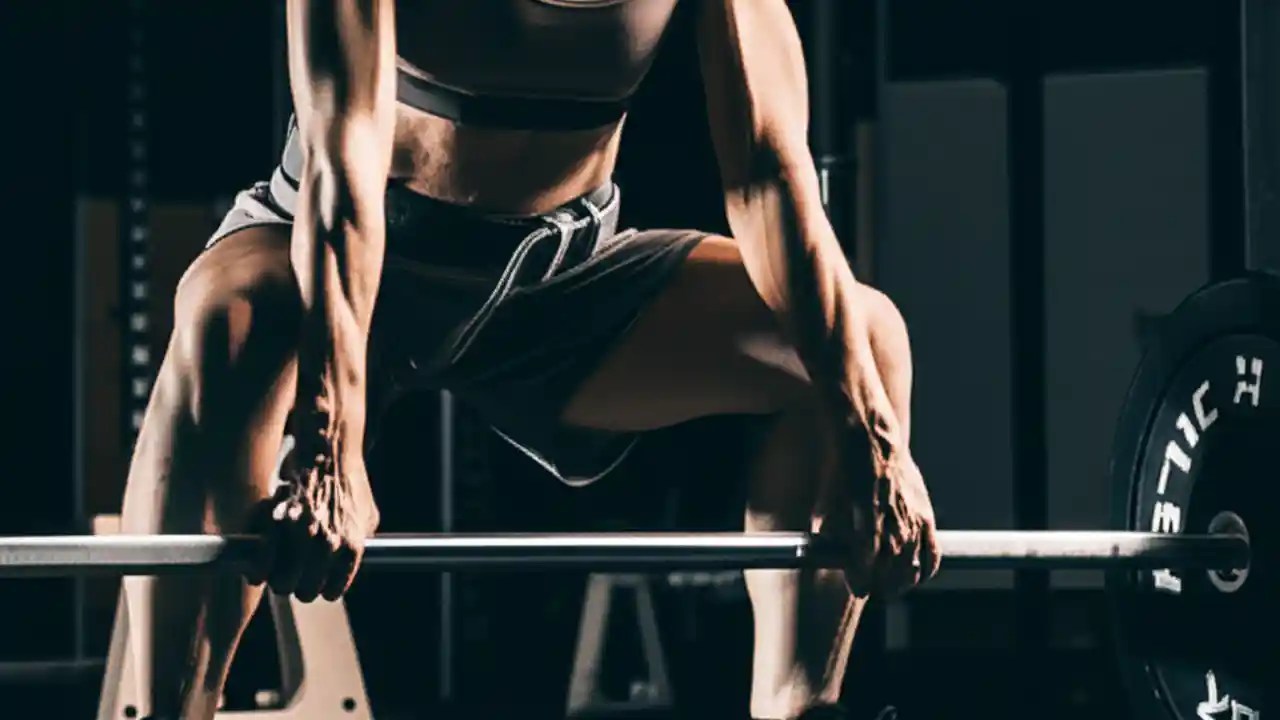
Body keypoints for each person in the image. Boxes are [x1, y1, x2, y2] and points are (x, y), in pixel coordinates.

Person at [119, 1, 940, 718]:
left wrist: (873, 437)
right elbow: (345, 178)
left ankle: (801, 708)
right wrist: (328, 441)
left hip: (556, 286)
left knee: (862, 345)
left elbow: (769, 178)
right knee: (227, 321)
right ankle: (165, 712)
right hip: (351, 254)